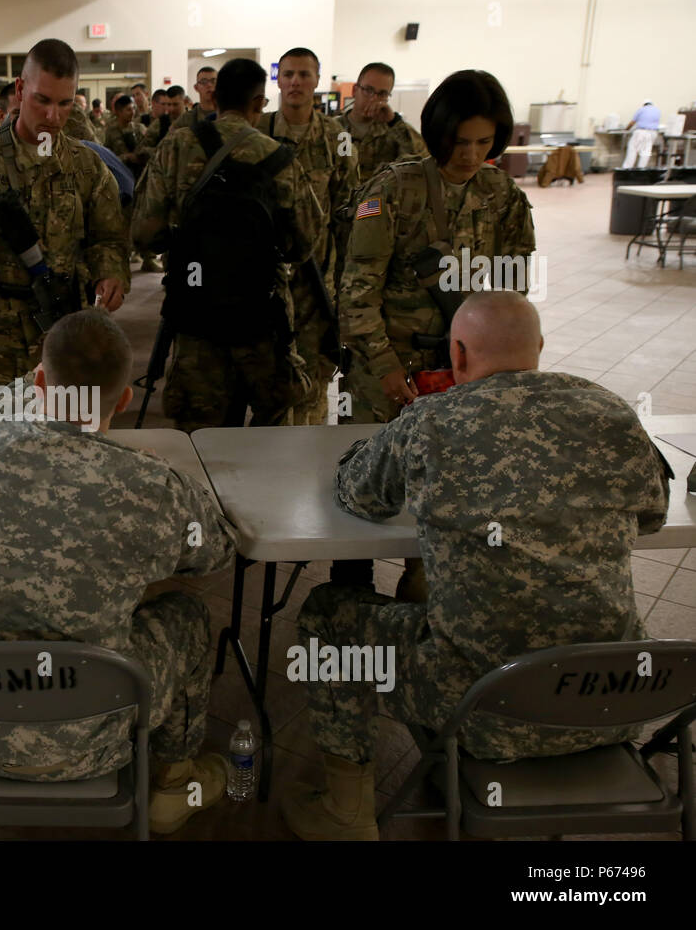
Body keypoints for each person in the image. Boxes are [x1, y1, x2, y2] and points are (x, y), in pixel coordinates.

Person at [280, 291, 672, 840]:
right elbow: (651, 515)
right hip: (616, 699)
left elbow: (359, 496)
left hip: (483, 709)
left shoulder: (431, 421)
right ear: (538, 348)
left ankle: (345, 811)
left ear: (457, 355)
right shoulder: (609, 411)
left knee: (328, 614)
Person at [0, 309, 238, 834]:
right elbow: (218, 553)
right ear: (126, 399)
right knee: (187, 614)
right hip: (95, 739)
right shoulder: (149, 485)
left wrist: (39, 383)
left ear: (39, 381)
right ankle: (172, 783)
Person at [337, 68, 536, 600]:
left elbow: (514, 295)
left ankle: (420, 595)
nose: (470, 155)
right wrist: (381, 369)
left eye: (483, 143)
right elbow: (357, 291)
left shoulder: (502, 196)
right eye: (459, 141)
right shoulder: (392, 189)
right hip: (386, 370)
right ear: (436, 133)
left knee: (441, 491)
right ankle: (349, 594)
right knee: (363, 484)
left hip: (460, 371)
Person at [0, 38, 128, 408]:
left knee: (55, 442)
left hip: (59, 340)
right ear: (20, 89)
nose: (53, 116)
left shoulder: (86, 166)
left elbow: (108, 238)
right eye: (42, 100)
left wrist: (109, 275)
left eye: (64, 103)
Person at [132, 57, 308, 431]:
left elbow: (145, 235)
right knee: (269, 445)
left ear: (214, 96)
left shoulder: (177, 145)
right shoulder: (280, 157)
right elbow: (304, 244)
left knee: (200, 443)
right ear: (260, 102)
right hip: (262, 322)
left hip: (197, 319)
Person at [263, 47, 360, 426]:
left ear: (317, 80)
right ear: (278, 80)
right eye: (288, 74)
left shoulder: (338, 138)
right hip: (269, 281)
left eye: (304, 74)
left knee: (316, 377)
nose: (295, 82)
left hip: (318, 279)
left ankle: (307, 459)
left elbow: (350, 212)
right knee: (270, 374)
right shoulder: (261, 133)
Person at [335, 62, 427, 183]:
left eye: (382, 94)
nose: (374, 98)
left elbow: (421, 161)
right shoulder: (334, 129)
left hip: (378, 200)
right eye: (368, 90)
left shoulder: (394, 130)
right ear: (355, 90)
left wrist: (394, 122)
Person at [103, 94, 149, 179]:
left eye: (133, 108)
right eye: (128, 110)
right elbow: (106, 156)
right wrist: (126, 157)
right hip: (120, 174)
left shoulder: (140, 128)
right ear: (119, 112)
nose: (132, 112)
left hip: (140, 174)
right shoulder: (110, 132)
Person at [623, 99, 663, 169]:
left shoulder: (641, 110)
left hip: (641, 132)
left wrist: (626, 129)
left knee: (633, 149)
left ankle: (627, 168)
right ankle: (641, 169)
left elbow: (632, 122)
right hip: (652, 133)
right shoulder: (657, 111)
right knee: (646, 151)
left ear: (644, 104)